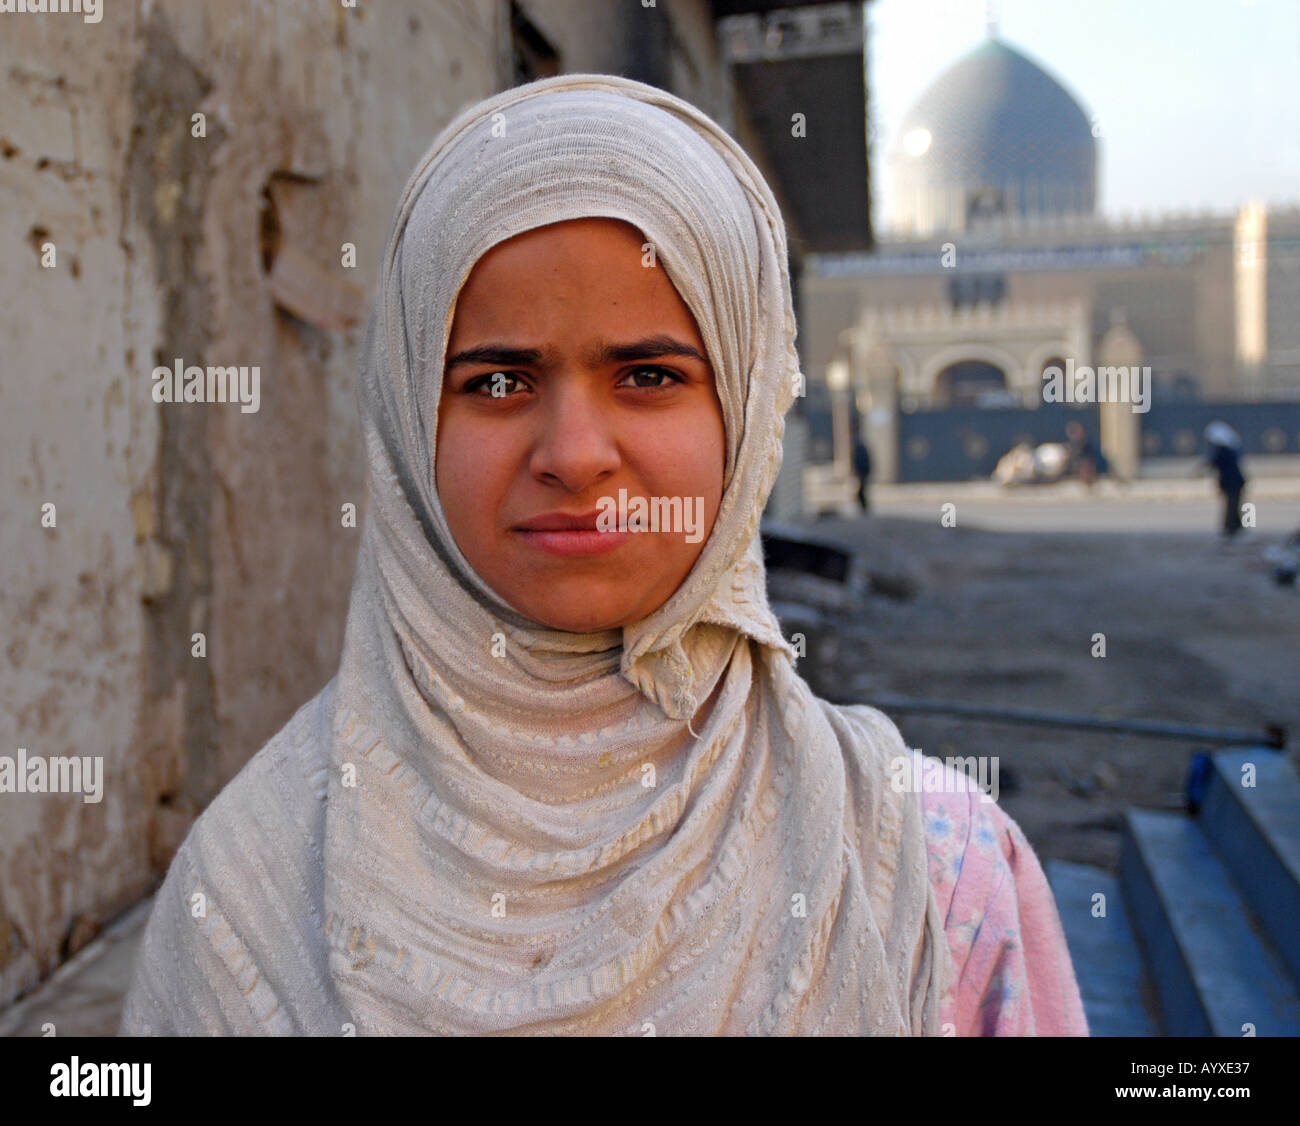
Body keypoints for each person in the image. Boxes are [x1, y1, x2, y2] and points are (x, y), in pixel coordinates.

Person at [118, 74, 1086, 1037]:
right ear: (409, 420)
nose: (574, 453)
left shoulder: (930, 871)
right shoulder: (246, 893)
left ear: (745, 412)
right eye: (497, 380)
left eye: (649, 375)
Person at [1199, 421, 1249, 540]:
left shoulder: (1223, 450)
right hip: (1233, 482)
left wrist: (1199, 471)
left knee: (1232, 505)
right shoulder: (1230, 449)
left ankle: (1231, 528)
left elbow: (1213, 462)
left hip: (1231, 482)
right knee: (1233, 504)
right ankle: (1235, 527)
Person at [852, 432, 872, 512]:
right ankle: (864, 507)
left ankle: (864, 507)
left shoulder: (860, 450)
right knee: (861, 490)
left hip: (862, 472)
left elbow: (861, 462)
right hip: (863, 472)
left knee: (861, 491)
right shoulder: (861, 449)